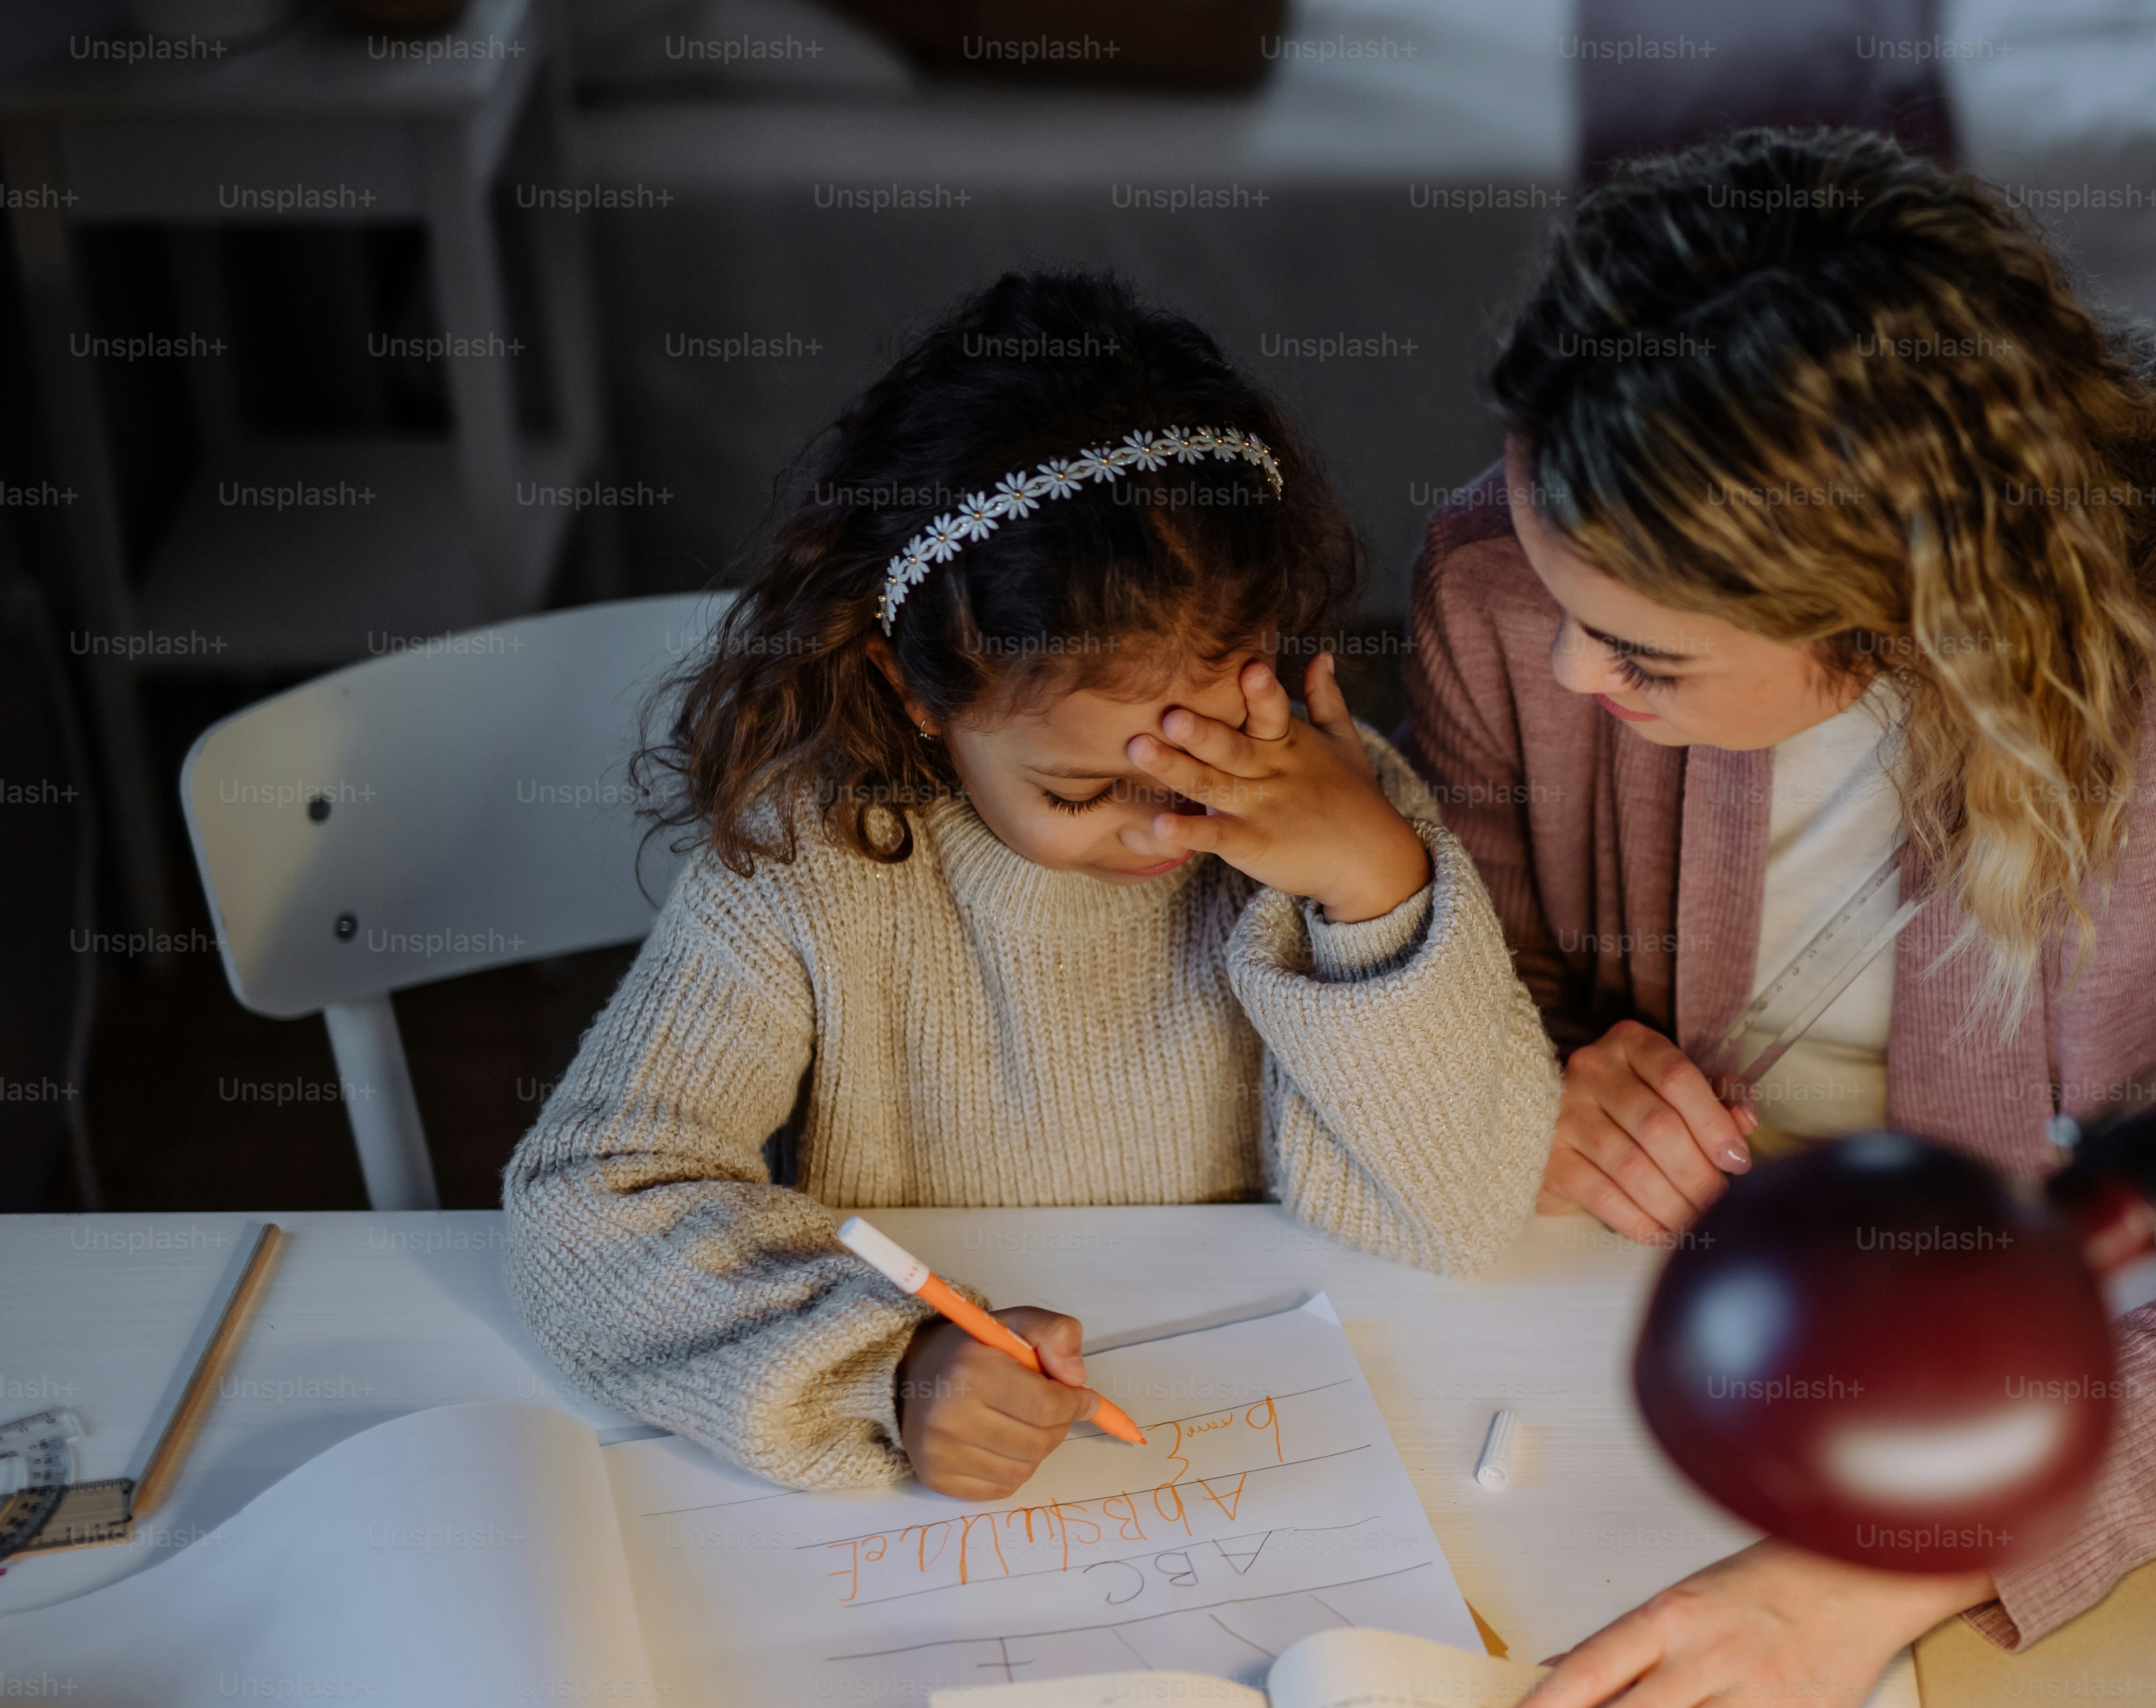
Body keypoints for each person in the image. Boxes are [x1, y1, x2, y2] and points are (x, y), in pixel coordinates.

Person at [1407, 129, 2156, 1708]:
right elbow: (1483, 970)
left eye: (1649, 659)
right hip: (1627, 1339)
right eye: (1556, 587)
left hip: (2083, 1340)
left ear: (1903, 605)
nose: (1570, 676)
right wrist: (1538, 1065)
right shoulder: (1506, 579)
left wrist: (1867, 1579)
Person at [507, 271, 1557, 1499]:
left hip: (1262, 1431)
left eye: (1215, 747)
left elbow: (1465, 1218)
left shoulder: (1328, 812)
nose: (1176, 826)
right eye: (1080, 792)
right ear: (921, 696)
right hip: (949, 1493)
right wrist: (880, 1372)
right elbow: (586, 1201)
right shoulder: (820, 859)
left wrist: (1374, 886)